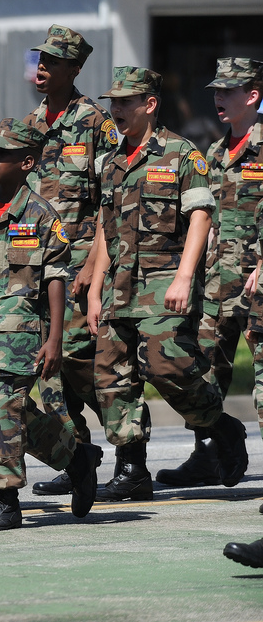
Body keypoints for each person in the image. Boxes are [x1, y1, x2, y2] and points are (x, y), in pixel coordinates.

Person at [87, 67, 249, 501]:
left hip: (163, 281)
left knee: (166, 367)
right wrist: (93, 287)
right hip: (116, 285)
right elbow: (107, 228)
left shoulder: (182, 154)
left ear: (150, 104)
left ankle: (222, 427)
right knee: (111, 377)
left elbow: (200, 216)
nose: (115, 110)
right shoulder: (109, 160)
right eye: (112, 102)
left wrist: (184, 277)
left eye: (125, 102)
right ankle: (132, 470)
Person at [0, 119, 98, 531]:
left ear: (26, 162)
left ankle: (4, 499)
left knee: (2, 411)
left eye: (2, 154)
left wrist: (55, 338)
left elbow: (57, 277)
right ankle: (75, 457)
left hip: (24, 332)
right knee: (15, 414)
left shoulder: (40, 214)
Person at [157, 58, 263, 488]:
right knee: (200, 374)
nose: (219, 98)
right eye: (216, 91)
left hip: (257, 285)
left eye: (229, 91)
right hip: (216, 285)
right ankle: (208, 453)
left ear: (253, 95)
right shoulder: (214, 153)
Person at [21, 25, 117, 496]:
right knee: (51, 367)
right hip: (37, 270)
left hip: (80, 268)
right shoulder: (30, 124)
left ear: (75, 70)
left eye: (53, 62)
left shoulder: (96, 124)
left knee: (84, 366)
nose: (42, 67)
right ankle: (79, 455)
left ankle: (130, 455)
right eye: (40, 58)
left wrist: (92, 268)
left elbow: (110, 204)